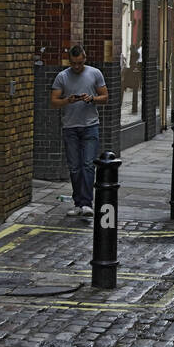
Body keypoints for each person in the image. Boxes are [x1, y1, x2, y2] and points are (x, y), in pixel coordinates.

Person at [51, 45, 108, 218]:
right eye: (73, 63)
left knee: (88, 165)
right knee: (75, 167)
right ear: (70, 61)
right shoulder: (62, 76)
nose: (77, 66)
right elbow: (54, 101)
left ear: (85, 58)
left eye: (80, 63)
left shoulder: (95, 73)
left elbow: (105, 97)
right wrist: (67, 100)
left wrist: (92, 99)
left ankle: (86, 203)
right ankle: (78, 203)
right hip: (70, 127)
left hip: (90, 125)